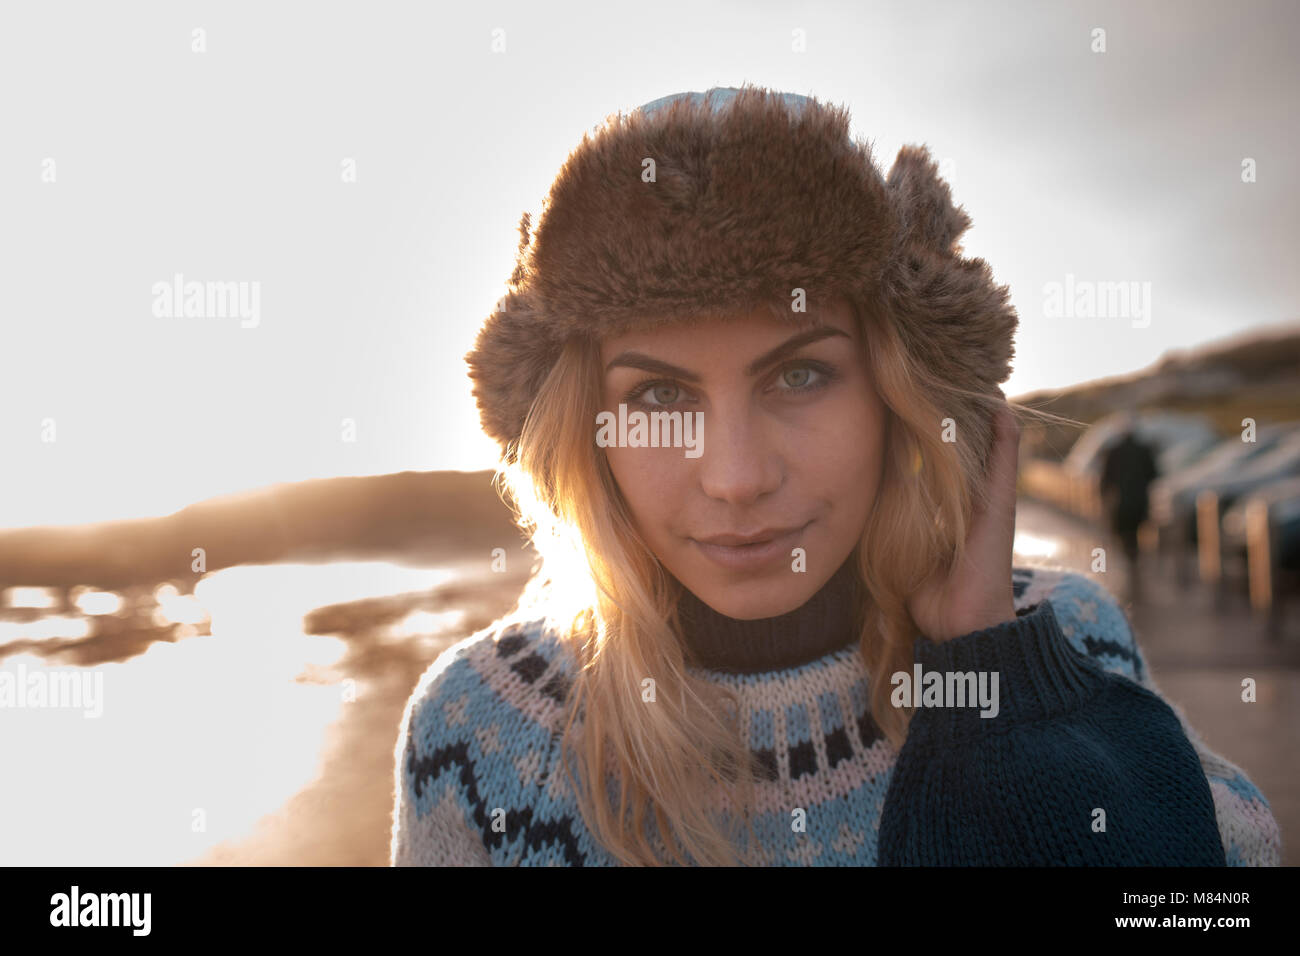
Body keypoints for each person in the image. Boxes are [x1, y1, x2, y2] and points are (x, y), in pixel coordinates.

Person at [391, 87, 1281, 866]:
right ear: (587, 428)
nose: (736, 478)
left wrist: (997, 685)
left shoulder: (1065, 647)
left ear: (901, 395)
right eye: (661, 393)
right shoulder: (482, 732)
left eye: (800, 375)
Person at [1099, 423, 1160, 602]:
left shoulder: (1113, 451)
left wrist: (1103, 497)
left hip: (1120, 500)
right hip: (1140, 499)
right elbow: (1154, 474)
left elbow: (1105, 478)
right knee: (1136, 530)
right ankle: (1134, 557)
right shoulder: (1144, 450)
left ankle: (1130, 556)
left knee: (1123, 531)